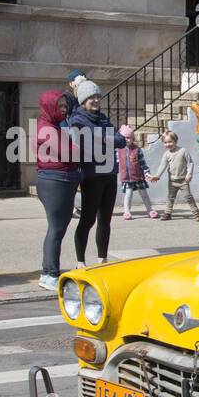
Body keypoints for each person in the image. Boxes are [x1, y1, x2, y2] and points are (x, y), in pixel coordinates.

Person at [67, 79, 126, 266]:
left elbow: (121, 141)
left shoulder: (103, 118)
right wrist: (107, 137)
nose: (95, 100)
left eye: (97, 96)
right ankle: (80, 261)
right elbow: (93, 136)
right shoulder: (77, 119)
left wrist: (104, 137)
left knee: (105, 220)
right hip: (91, 175)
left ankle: (103, 258)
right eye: (91, 97)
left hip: (109, 173)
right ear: (83, 100)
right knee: (88, 219)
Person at [34, 89, 79, 290]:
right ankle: (49, 273)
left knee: (58, 228)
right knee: (56, 228)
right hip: (55, 180)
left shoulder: (53, 126)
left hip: (60, 179)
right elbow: (70, 154)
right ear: (50, 107)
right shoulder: (47, 129)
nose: (64, 109)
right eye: (59, 106)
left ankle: (49, 271)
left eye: (65, 105)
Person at [151, 131, 199, 221]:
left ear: (175, 141)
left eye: (170, 142)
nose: (168, 144)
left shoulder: (183, 151)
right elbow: (162, 165)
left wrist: (189, 174)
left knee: (188, 197)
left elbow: (190, 163)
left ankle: (196, 213)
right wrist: (157, 176)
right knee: (170, 197)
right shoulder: (166, 154)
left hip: (183, 181)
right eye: (165, 142)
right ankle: (167, 213)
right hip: (172, 181)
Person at [116, 126, 157, 220]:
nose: (126, 140)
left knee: (144, 194)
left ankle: (150, 210)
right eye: (124, 138)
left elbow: (143, 162)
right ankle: (127, 211)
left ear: (133, 138)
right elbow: (116, 163)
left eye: (128, 137)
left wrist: (147, 173)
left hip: (138, 176)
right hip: (127, 178)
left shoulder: (137, 149)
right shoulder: (118, 150)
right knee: (128, 194)